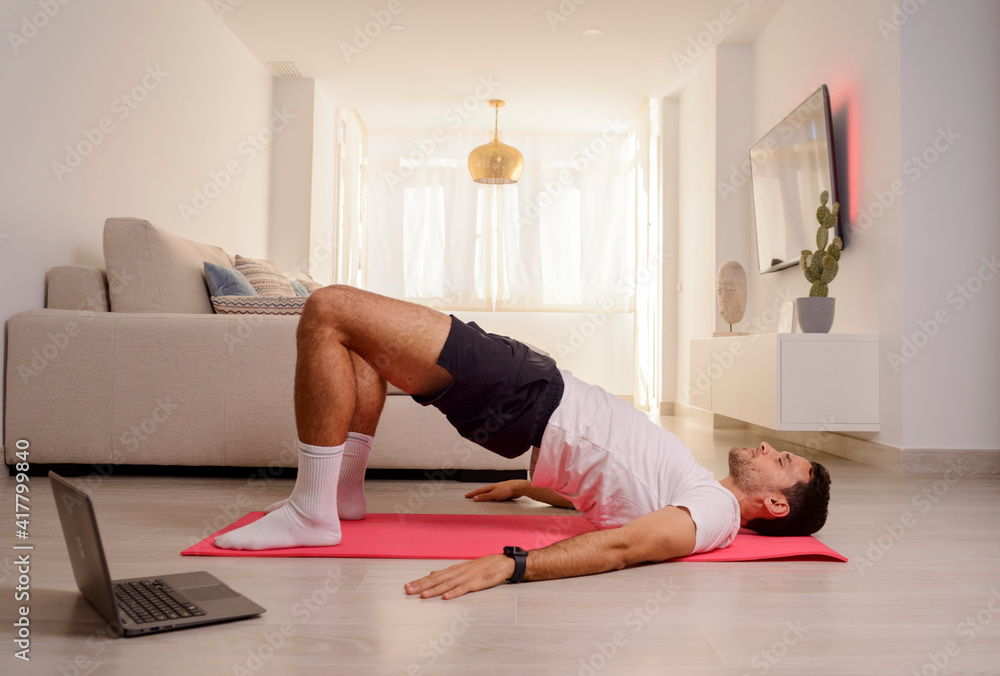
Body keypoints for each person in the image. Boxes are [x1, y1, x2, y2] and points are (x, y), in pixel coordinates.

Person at [214, 286, 831, 599]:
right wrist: (530, 488)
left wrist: (510, 565)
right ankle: (338, 497)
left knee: (328, 309)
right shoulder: (698, 492)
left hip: (529, 394)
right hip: (531, 401)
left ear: (776, 505)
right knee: (363, 345)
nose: (771, 450)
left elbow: (623, 546)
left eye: (784, 464)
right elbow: (616, 494)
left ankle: (311, 510)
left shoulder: (716, 514)